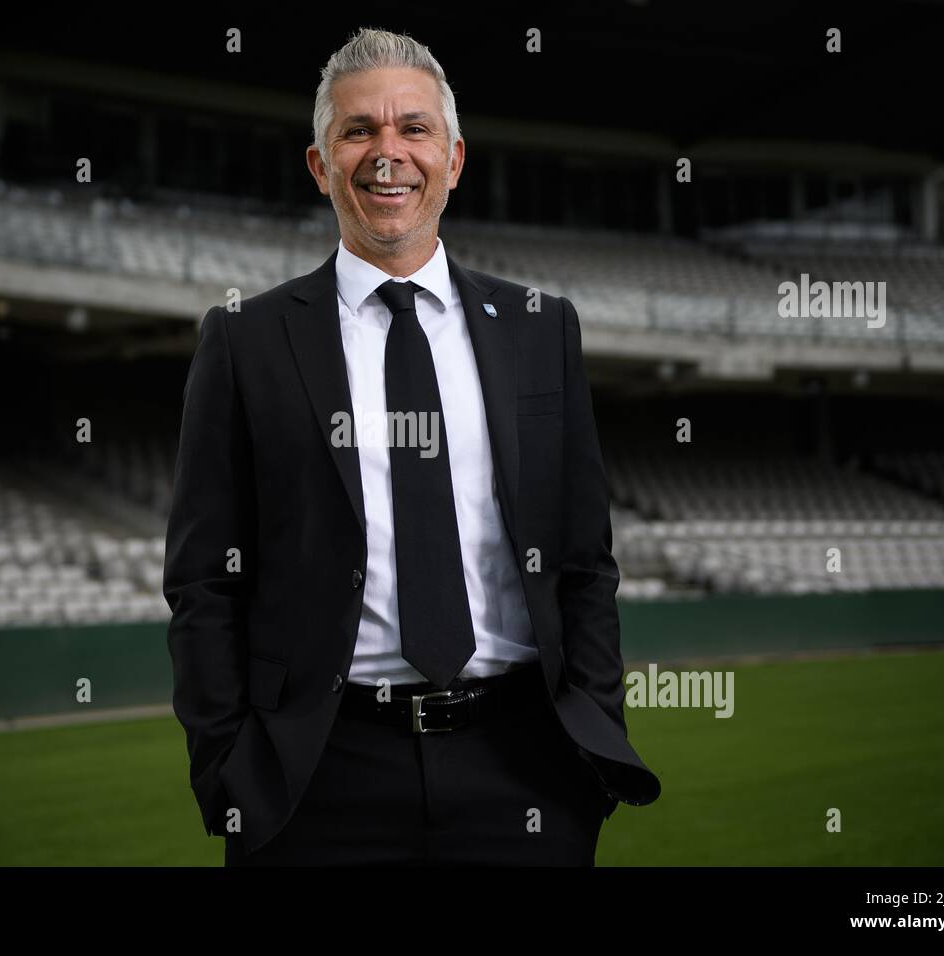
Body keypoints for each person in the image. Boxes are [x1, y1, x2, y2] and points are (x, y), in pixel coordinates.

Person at [163, 26, 660, 867]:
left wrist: (592, 734)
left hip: (526, 772)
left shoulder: (544, 330)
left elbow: (584, 562)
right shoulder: (244, 340)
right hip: (319, 780)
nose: (386, 152)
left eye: (413, 128)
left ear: (455, 158)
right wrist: (228, 768)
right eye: (358, 131)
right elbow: (204, 578)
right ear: (321, 165)